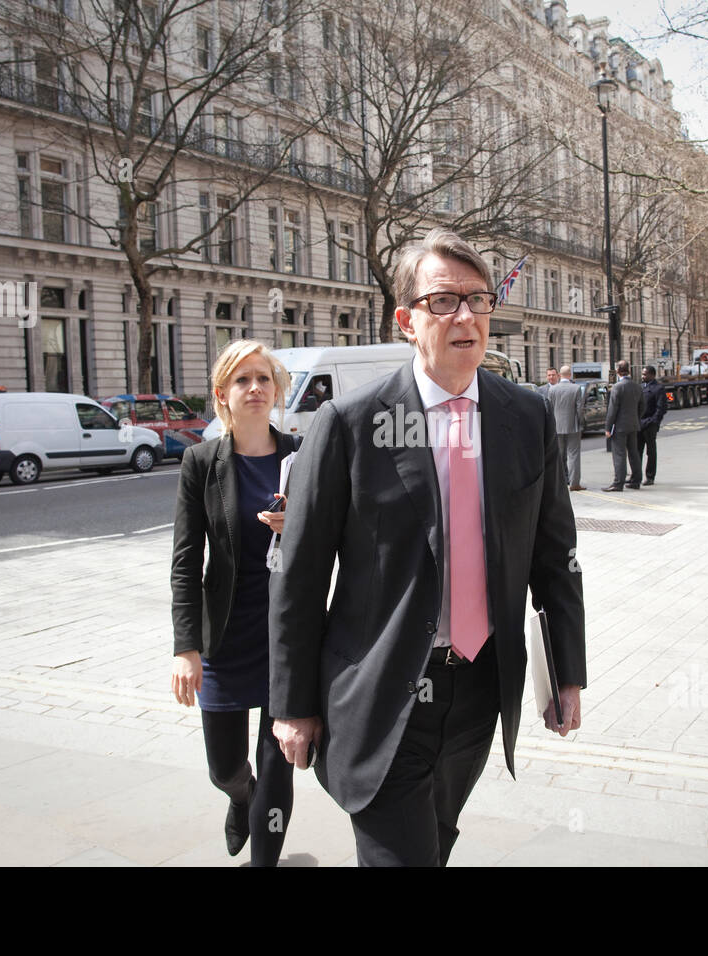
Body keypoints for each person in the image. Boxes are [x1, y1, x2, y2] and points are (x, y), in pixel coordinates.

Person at [268, 228, 586, 867]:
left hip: (477, 693)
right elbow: (299, 574)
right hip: (385, 693)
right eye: (444, 301)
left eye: (478, 300)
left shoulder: (525, 417)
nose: (465, 316)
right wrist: (291, 705)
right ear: (406, 319)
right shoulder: (350, 424)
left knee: (434, 842)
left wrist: (568, 672)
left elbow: (555, 555)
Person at [170, 340, 298, 866]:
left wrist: (300, 527)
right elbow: (185, 560)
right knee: (225, 767)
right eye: (243, 380)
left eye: (263, 378)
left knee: (278, 765)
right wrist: (186, 647)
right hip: (224, 635)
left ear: (276, 388)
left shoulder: (300, 455)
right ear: (223, 394)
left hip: (287, 634)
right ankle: (238, 797)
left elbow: (341, 537)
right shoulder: (201, 462)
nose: (255, 388)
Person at [602, 359, 645, 491]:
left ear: (617, 372)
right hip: (633, 424)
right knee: (634, 453)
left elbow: (612, 409)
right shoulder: (637, 386)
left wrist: (608, 428)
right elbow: (642, 406)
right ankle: (636, 480)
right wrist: (637, 418)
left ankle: (618, 483)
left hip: (620, 426)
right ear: (629, 371)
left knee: (619, 454)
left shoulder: (617, 387)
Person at [547, 365, 586, 490]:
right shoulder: (576, 388)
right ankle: (574, 483)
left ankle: (559, 483)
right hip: (573, 425)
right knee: (573, 455)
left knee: (559, 455)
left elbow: (549, 409)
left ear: (559, 375)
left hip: (557, 426)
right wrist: (581, 423)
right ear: (570, 375)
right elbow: (579, 409)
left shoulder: (552, 390)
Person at [637, 365, 666, 486]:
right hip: (639, 423)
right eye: (642, 374)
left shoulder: (658, 388)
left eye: (645, 374)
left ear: (652, 375)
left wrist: (654, 421)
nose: (643, 376)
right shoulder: (640, 387)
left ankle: (650, 476)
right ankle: (636, 476)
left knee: (651, 452)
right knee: (637, 451)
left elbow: (661, 408)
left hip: (650, 424)